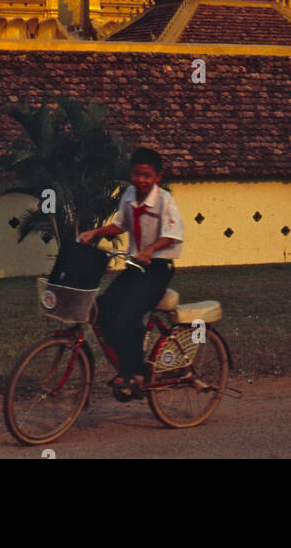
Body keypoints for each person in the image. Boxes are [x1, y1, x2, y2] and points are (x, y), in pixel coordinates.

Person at [78, 147, 184, 399]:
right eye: (137, 174)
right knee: (103, 308)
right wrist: (94, 233)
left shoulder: (164, 200)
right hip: (136, 266)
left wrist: (150, 249)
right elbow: (120, 225)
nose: (141, 180)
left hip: (158, 267)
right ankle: (125, 367)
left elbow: (173, 235)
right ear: (130, 174)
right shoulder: (128, 194)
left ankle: (135, 373)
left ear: (158, 177)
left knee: (128, 314)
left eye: (147, 175)